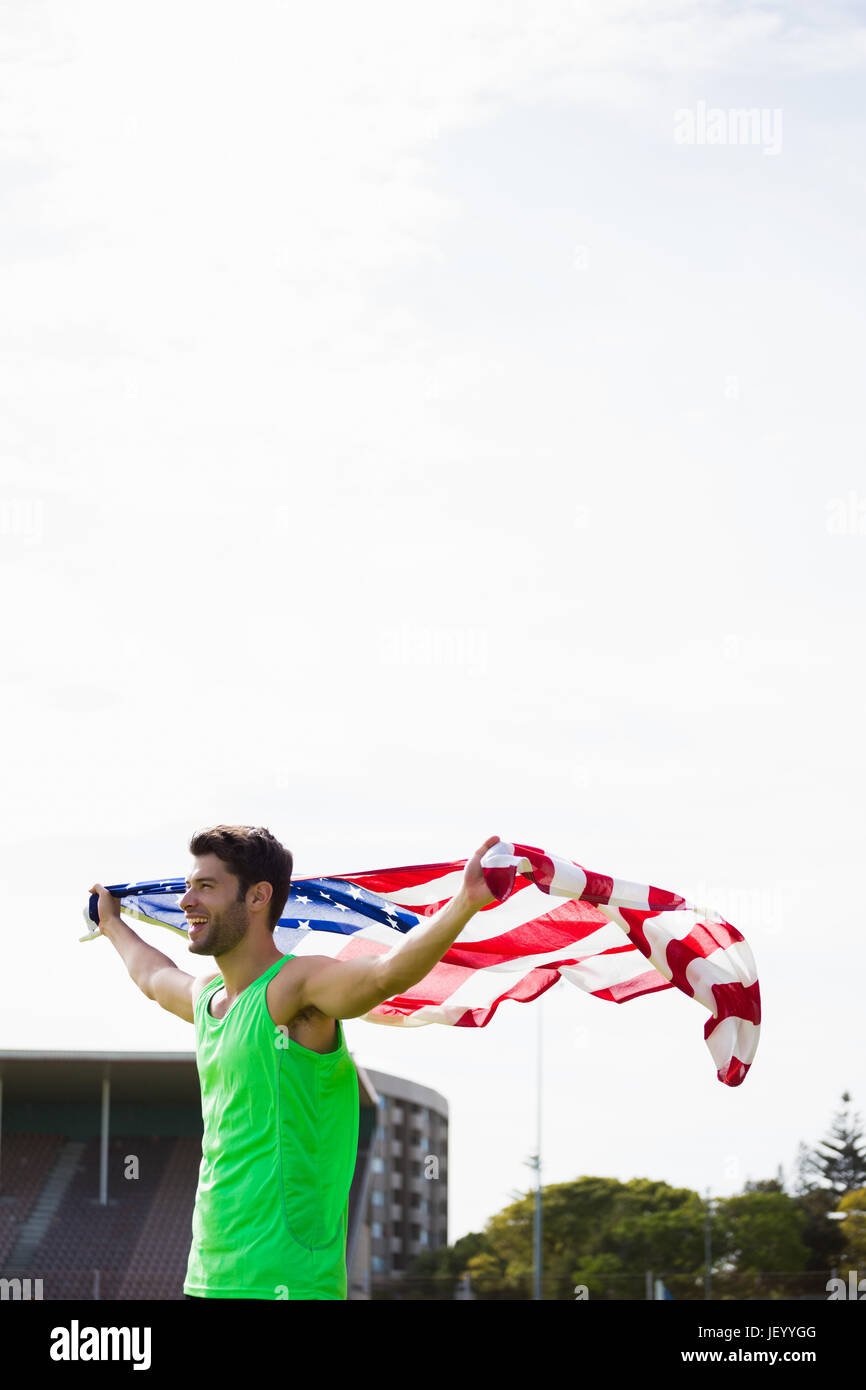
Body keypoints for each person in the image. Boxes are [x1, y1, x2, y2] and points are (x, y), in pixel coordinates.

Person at [89, 823, 498, 1300]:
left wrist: (465, 902)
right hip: (209, 1273)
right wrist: (112, 924)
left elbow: (385, 975)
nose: (185, 901)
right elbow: (153, 976)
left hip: (291, 1281)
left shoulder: (297, 986)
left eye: (206, 886)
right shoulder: (207, 999)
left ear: (258, 896)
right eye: (187, 886)